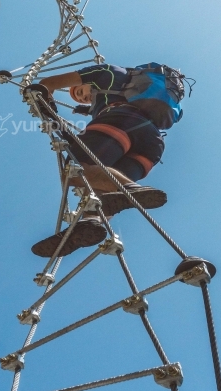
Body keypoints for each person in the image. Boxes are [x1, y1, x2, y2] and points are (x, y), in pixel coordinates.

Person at [30, 63, 169, 257]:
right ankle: (91, 221)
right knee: (102, 192)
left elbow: (47, 84)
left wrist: (38, 97)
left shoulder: (108, 73)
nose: (82, 97)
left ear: (88, 82)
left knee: (75, 171)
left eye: (80, 91)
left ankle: (129, 190)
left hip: (122, 121)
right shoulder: (115, 95)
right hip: (152, 144)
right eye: (80, 98)